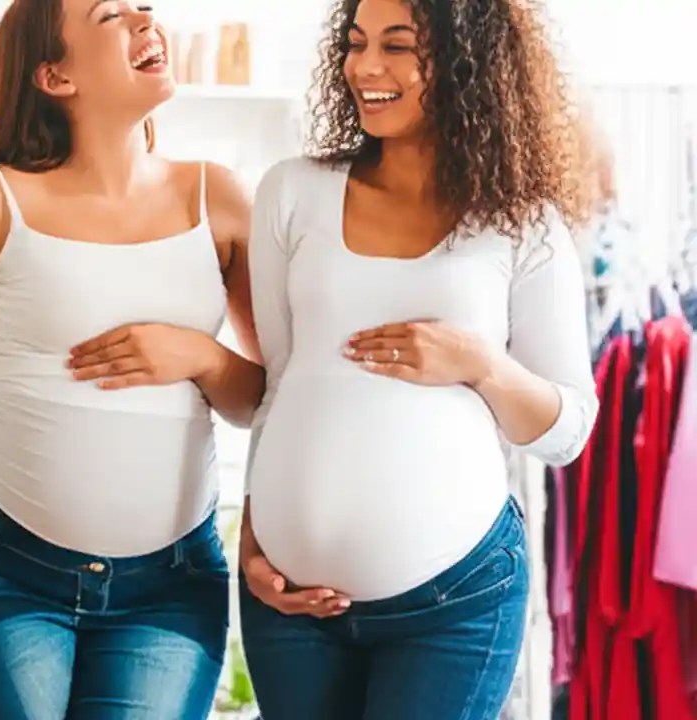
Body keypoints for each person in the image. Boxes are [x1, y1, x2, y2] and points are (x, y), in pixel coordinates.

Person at [0, 0, 264, 717]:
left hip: (169, 585)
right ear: (54, 74)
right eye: (111, 16)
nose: (144, 23)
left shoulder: (215, 196)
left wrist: (200, 357)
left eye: (144, 10)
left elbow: (263, 398)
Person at [237, 0, 598, 717]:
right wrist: (254, 545)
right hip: (291, 608)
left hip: (454, 606)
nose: (365, 67)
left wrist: (478, 362)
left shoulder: (523, 225)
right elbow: (281, 389)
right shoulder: (291, 191)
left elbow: (567, 429)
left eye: (398, 46)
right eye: (356, 41)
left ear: (471, 66)